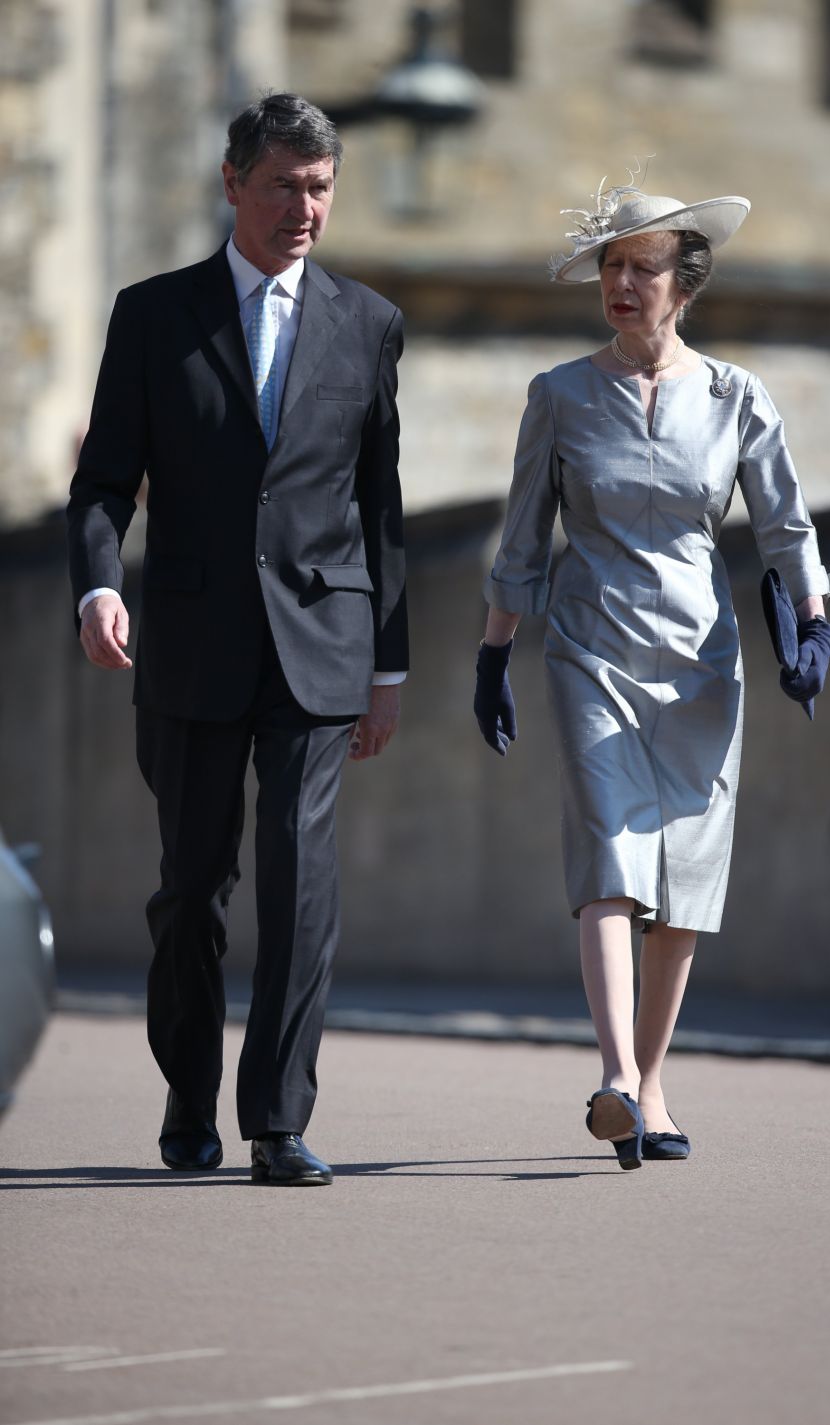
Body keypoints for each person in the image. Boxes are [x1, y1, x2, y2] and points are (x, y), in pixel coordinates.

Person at [67, 94, 408, 1187]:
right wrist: (95, 589)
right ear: (231, 185)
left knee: (301, 884)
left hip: (320, 642)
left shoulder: (368, 323)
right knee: (189, 893)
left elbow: (381, 504)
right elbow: (101, 485)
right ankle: (186, 1094)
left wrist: (386, 666)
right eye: (281, 187)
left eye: (318, 189)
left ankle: (276, 1121)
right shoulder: (153, 316)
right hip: (191, 641)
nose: (302, 209)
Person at [474, 177, 830, 1171]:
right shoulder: (557, 394)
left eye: (643, 267)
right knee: (609, 860)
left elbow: (782, 522)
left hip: (701, 665)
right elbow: (519, 538)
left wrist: (811, 625)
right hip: (587, 649)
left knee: (683, 882)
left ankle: (652, 1082)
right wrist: (495, 649)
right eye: (611, 267)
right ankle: (614, 1079)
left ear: (685, 282)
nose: (622, 285)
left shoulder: (734, 398)